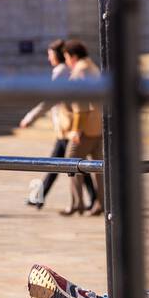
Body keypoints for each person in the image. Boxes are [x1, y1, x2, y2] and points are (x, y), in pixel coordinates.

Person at [19, 39, 96, 210]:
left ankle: (43, 198)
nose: (49, 58)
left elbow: (50, 100)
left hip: (67, 127)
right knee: (66, 164)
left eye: (50, 54)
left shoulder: (61, 71)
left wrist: (30, 118)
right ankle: (93, 198)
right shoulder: (67, 69)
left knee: (63, 164)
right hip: (66, 126)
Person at [60, 39, 104, 216]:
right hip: (99, 124)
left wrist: (76, 129)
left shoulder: (79, 72)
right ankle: (102, 203)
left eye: (66, 58)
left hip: (85, 127)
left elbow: (81, 107)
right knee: (99, 167)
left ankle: (77, 202)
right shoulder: (93, 67)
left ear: (73, 56)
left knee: (70, 161)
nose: (67, 62)